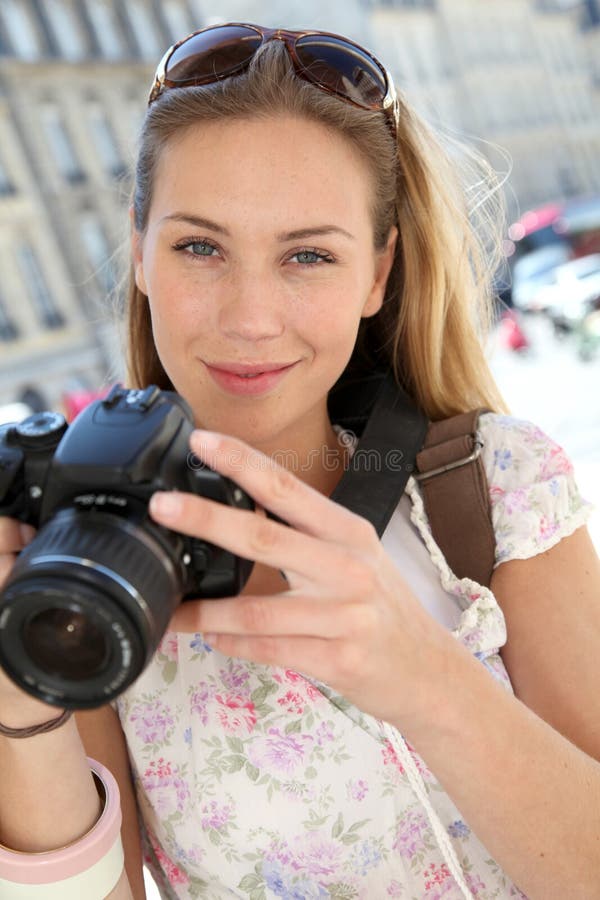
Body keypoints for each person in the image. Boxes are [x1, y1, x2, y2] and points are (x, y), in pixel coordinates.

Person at [0, 23, 599, 900]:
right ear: (138, 250)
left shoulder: (496, 492)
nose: (250, 317)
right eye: (199, 246)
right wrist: (20, 708)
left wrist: (429, 681)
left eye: (308, 255)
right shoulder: (83, 559)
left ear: (377, 274)